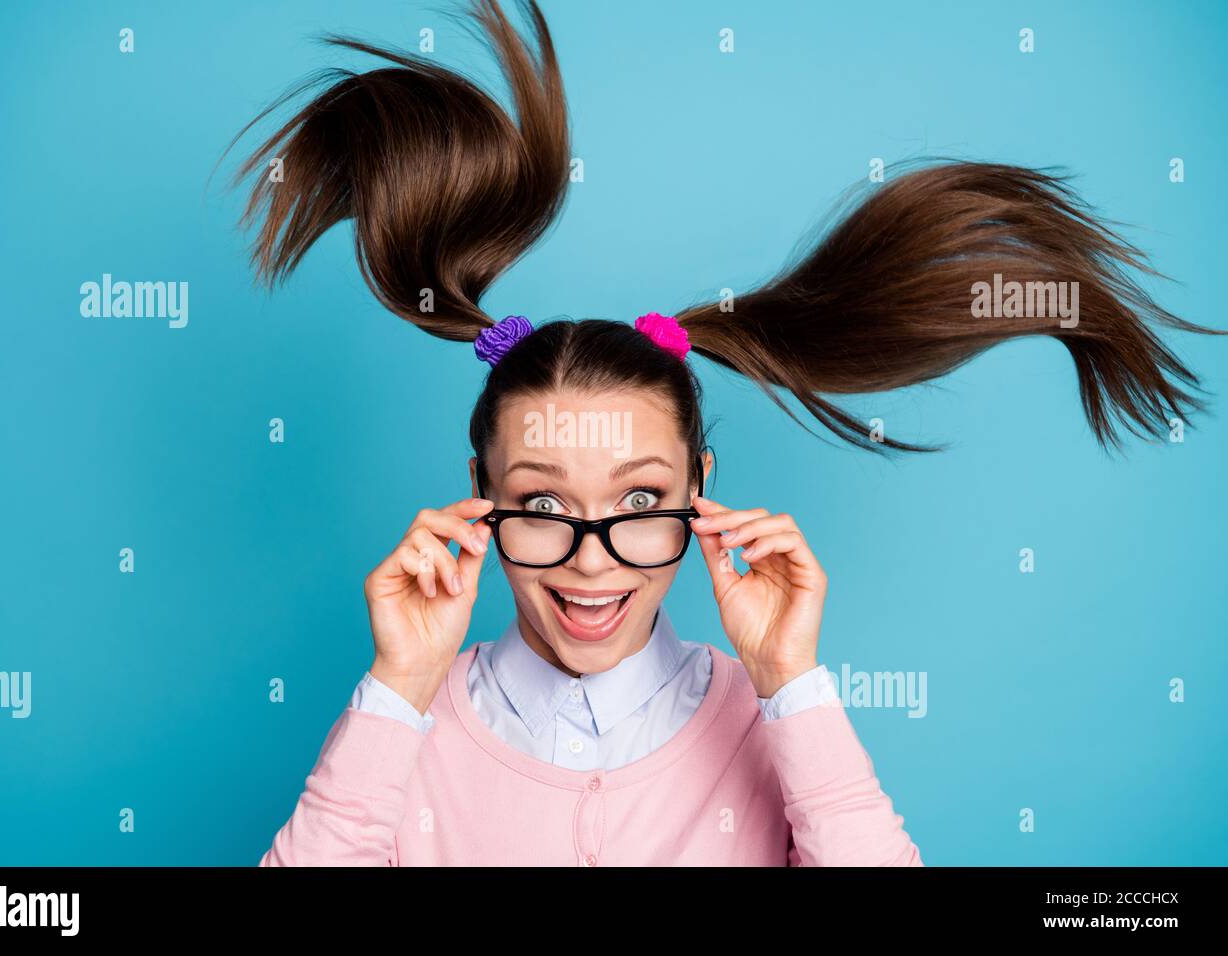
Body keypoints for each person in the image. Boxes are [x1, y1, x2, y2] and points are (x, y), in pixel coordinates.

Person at [227, 0, 1219, 866]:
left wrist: (791, 680)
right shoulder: (406, 728)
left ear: (698, 490)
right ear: (477, 498)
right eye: (540, 502)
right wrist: (398, 686)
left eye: (640, 499)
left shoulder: (769, 718)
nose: (590, 561)